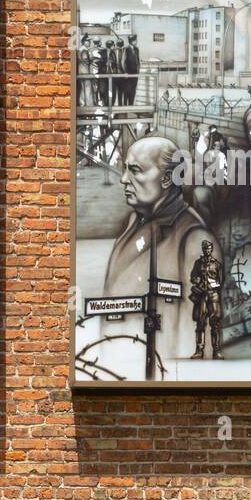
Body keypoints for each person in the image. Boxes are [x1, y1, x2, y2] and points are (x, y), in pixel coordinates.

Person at [101, 136, 215, 360]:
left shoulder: (192, 239)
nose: (124, 179)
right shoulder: (134, 222)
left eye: (135, 170)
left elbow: (201, 340)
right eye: (125, 169)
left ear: (165, 179)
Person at [189, 240, 224, 360]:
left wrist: (214, 284)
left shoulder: (217, 264)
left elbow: (221, 280)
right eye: (205, 248)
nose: (207, 250)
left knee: (215, 324)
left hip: (213, 295)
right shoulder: (198, 263)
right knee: (200, 323)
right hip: (201, 296)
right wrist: (196, 280)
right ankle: (199, 351)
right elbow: (192, 276)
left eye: (209, 248)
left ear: (211, 249)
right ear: (203, 249)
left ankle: (217, 351)